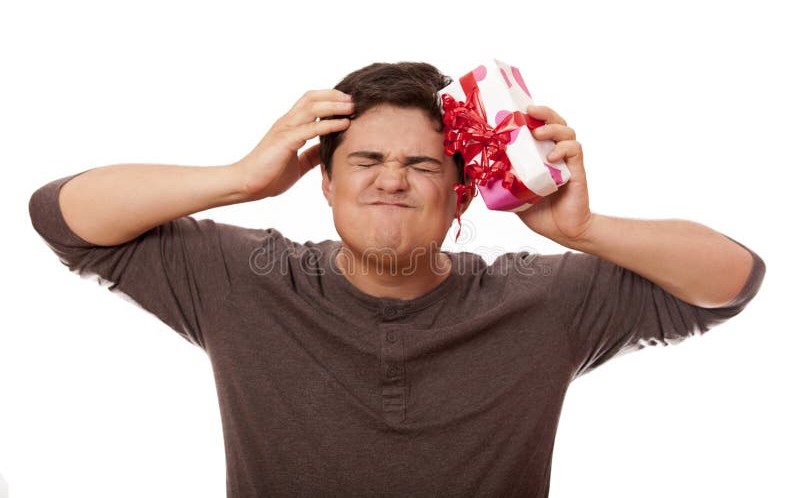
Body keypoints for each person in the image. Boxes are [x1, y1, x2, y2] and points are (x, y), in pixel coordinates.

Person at [28, 61, 766, 498]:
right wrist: (239, 179)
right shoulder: (243, 278)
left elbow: (732, 280)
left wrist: (582, 230)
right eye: (365, 161)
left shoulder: (544, 300)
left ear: (462, 192)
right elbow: (62, 216)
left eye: (419, 166)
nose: (391, 181)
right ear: (323, 183)